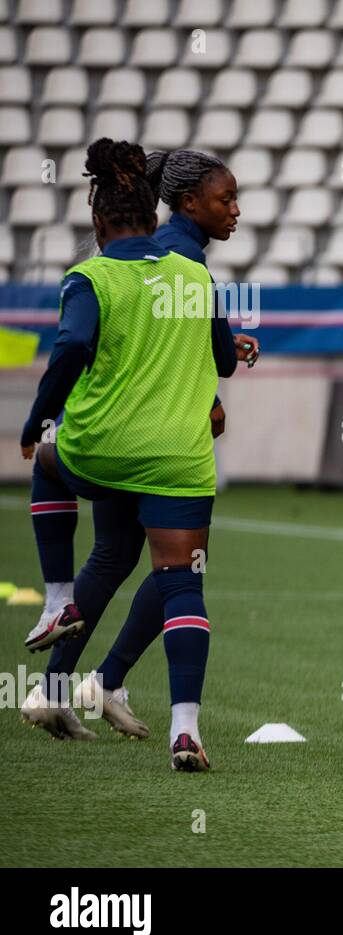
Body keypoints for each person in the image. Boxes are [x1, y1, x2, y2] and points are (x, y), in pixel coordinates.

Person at [23, 148, 257, 742]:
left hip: (127, 429)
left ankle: (63, 688)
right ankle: (101, 681)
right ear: (184, 203)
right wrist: (206, 398)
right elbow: (161, 340)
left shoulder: (172, 250)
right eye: (226, 199)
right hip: (159, 433)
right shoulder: (178, 256)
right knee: (176, 564)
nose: (235, 211)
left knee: (119, 555)